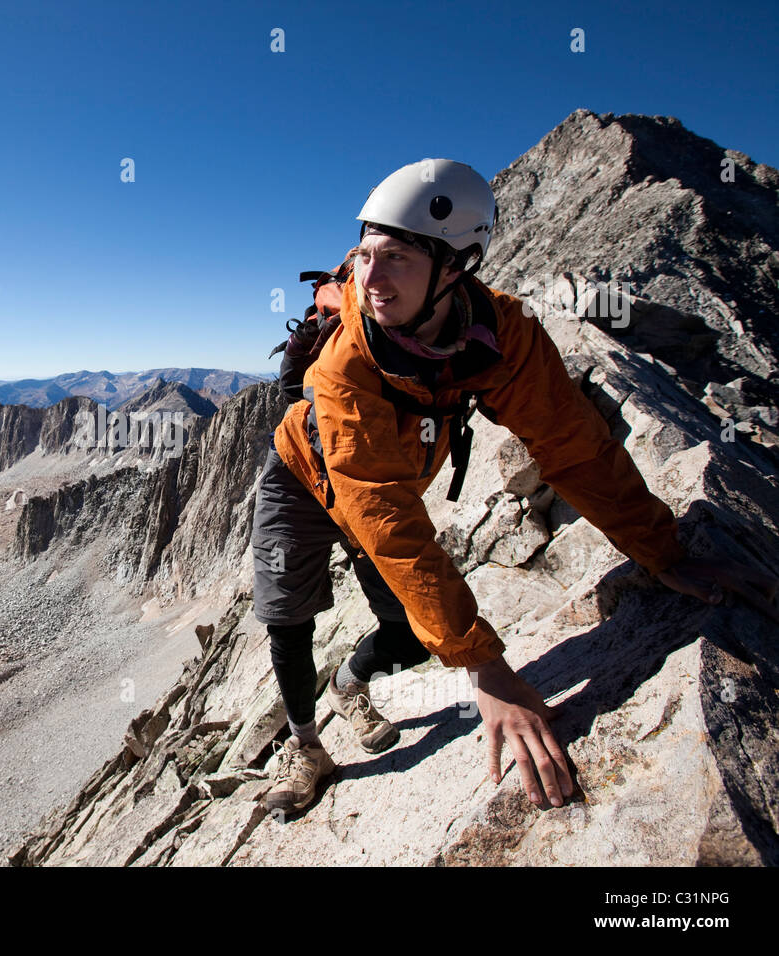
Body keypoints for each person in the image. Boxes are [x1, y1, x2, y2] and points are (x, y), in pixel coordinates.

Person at [253, 158, 776, 815]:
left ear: (457, 268)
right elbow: (380, 512)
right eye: (365, 255)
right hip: (302, 473)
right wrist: (484, 666)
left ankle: (350, 684)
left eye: (400, 259)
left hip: (387, 477)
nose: (372, 279)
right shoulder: (345, 364)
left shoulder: (502, 337)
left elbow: (574, 447)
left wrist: (662, 550)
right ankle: (307, 746)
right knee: (287, 616)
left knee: (415, 631)